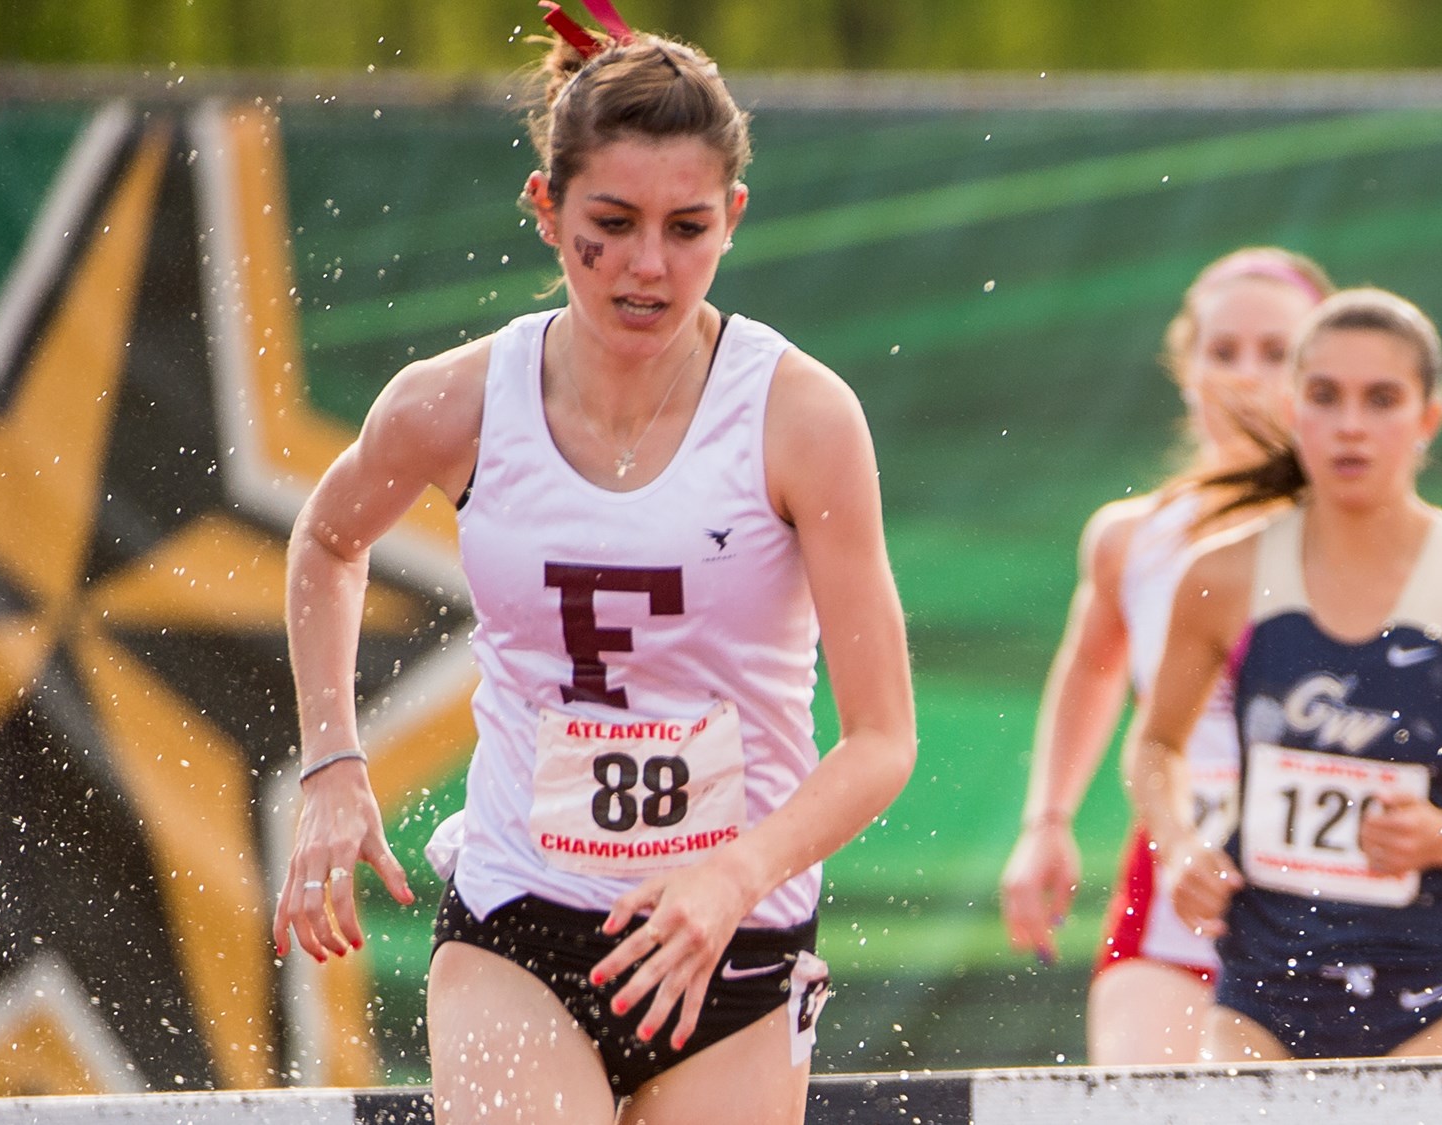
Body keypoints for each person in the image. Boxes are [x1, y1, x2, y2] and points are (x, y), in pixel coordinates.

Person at [268, 7, 916, 1122]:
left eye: (687, 228)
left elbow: (880, 741)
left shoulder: (801, 420)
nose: (647, 268)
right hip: (523, 918)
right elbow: (329, 539)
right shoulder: (454, 403)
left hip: (729, 940)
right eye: (608, 225)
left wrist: (730, 875)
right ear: (544, 210)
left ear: (734, 221)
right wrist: (332, 765)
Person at [1125, 287, 1442, 1063]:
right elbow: (1153, 747)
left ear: (1428, 418)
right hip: (1262, 997)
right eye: (1325, 396)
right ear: (1292, 406)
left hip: (1437, 997)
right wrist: (1178, 844)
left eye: (1381, 400)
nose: (1350, 426)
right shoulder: (1222, 578)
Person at [999, 248, 1332, 1065]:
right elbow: (1090, 668)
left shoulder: (1383, 541)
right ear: (1185, 367)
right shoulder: (1133, 539)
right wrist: (1046, 822)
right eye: (1222, 351)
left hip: (1346, 887)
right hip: (1184, 870)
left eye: (1276, 353)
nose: (1245, 376)